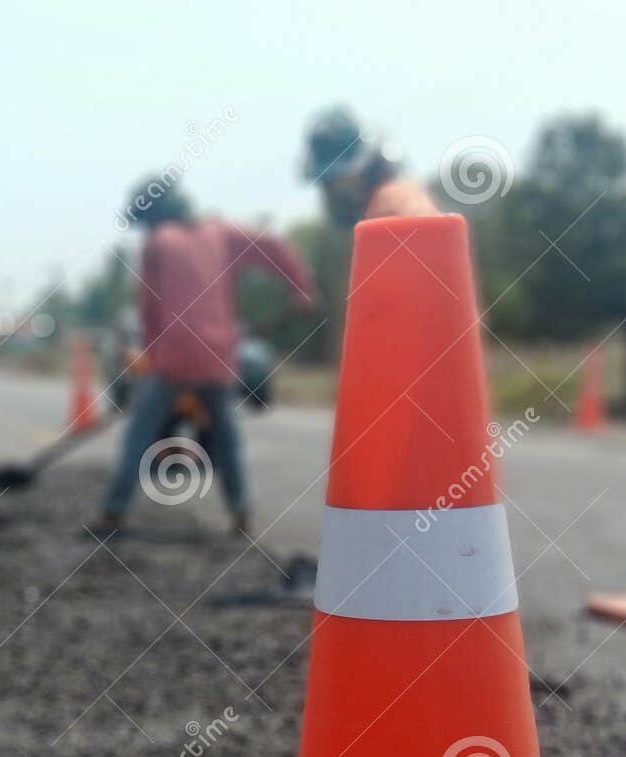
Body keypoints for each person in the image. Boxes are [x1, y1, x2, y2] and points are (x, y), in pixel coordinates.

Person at [92, 176, 316, 538]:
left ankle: (113, 513)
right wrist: (299, 286)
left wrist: (152, 355)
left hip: (173, 356)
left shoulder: (157, 244)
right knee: (226, 436)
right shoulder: (221, 233)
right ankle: (241, 512)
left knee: (140, 432)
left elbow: (149, 308)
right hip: (217, 355)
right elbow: (272, 245)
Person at [303, 105, 440, 226]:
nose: (335, 192)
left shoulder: (396, 203)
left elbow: (431, 236)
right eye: (329, 182)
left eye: (342, 181)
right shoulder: (366, 215)